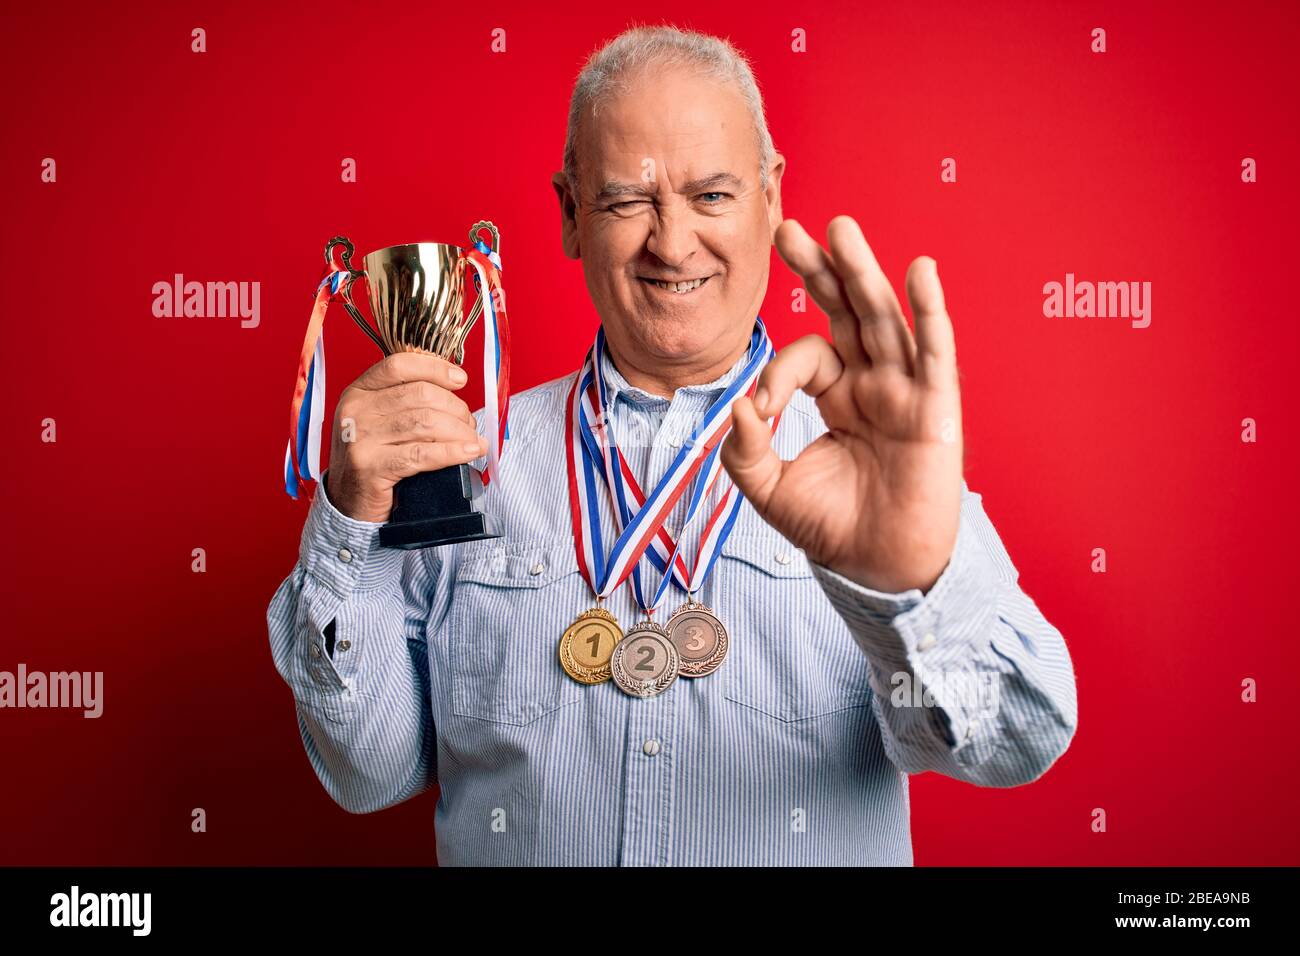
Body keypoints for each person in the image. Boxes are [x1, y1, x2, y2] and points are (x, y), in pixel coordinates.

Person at [267, 24, 1078, 866]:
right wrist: (347, 522)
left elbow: (1015, 743)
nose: (672, 242)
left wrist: (910, 583)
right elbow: (369, 773)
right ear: (572, 214)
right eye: (627, 200)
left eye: (712, 196)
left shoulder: (868, 461)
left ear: (771, 197)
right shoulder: (458, 464)